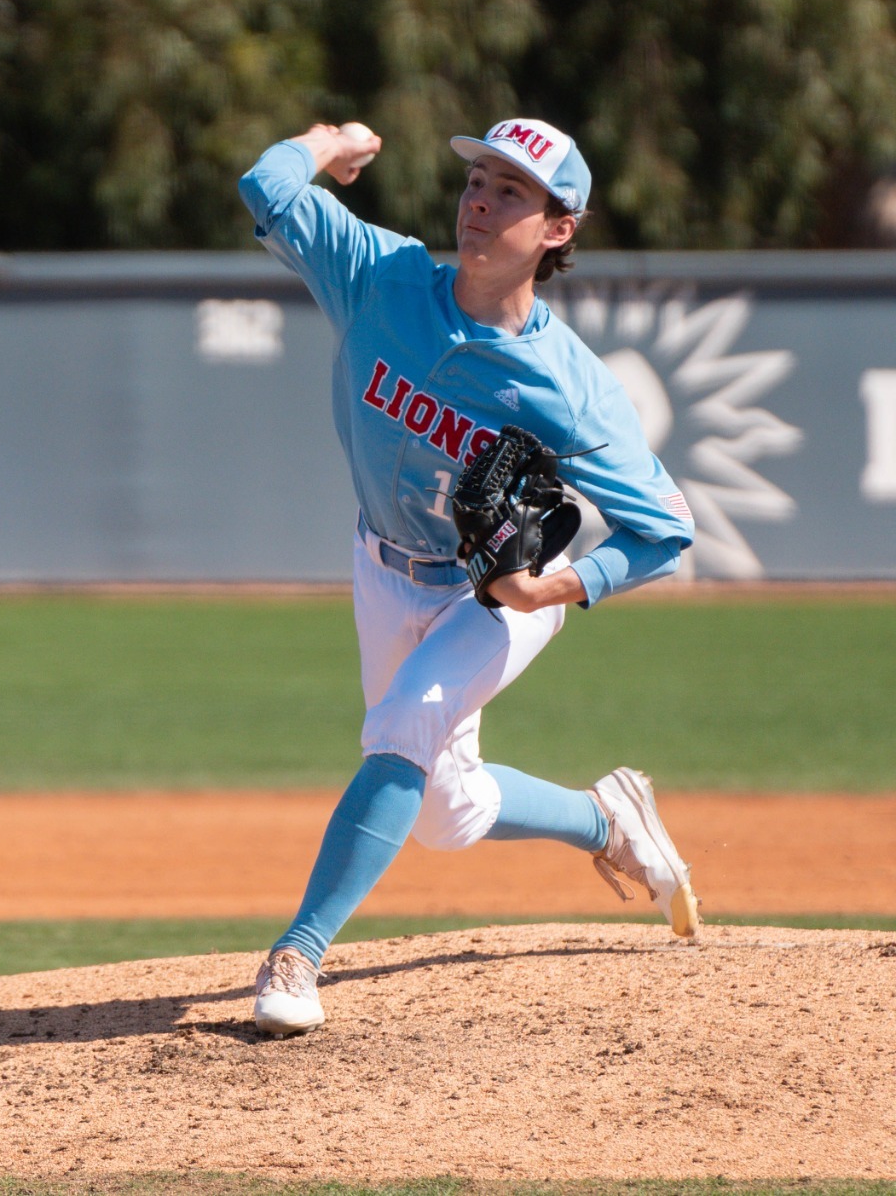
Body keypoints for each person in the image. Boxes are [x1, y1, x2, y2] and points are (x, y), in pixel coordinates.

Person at [236, 118, 700, 1037]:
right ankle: (606, 819)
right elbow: (268, 187)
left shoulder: (567, 386)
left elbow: (665, 529)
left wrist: (554, 590)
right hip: (381, 565)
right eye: (478, 180)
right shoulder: (383, 276)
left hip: (496, 590)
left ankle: (298, 951)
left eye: (511, 191)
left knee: (402, 724)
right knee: (447, 811)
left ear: (559, 229)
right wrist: (331, 141)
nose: (481, 201)